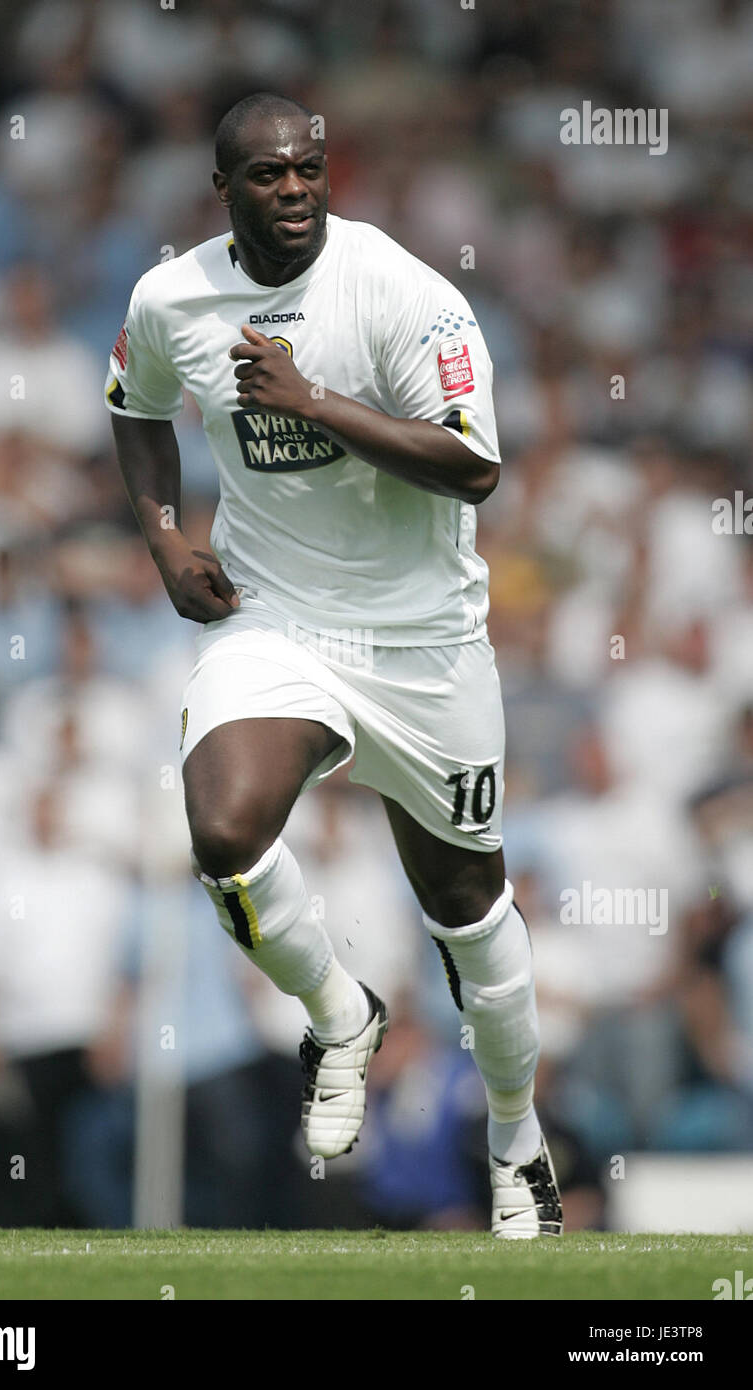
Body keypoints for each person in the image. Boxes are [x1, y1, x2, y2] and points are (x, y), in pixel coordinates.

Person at [107, 92, 562, 1238]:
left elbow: (471, 467)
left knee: (468, 916)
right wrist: (165, 535)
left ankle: (514, 1139)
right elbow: (134, 404)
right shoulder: (172, 297)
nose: (296, 190)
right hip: (279, 620)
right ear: (225, 192)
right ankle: (340, 1012)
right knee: (219, 830)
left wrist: (313, 401)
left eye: (309, 168)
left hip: (423, 643)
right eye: (268, 176)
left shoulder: (403, 291)